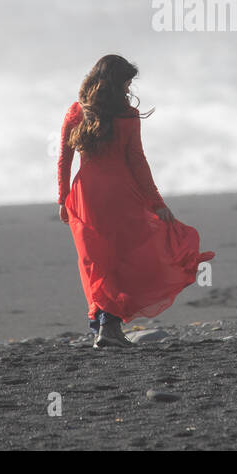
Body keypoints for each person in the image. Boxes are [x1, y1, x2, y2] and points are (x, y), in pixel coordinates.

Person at [56, 54, 214, 349]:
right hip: (120, 195)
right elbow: (137, 162)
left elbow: (64, 159)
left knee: (96, 262)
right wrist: (156, 202)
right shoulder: (126, 117)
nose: (130, 86)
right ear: (118, 82)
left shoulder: (77, 111)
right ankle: (108, 328)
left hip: (85, 196)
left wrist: (63, 197)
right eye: (128, 80)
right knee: (122, 260)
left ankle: (104, 328)